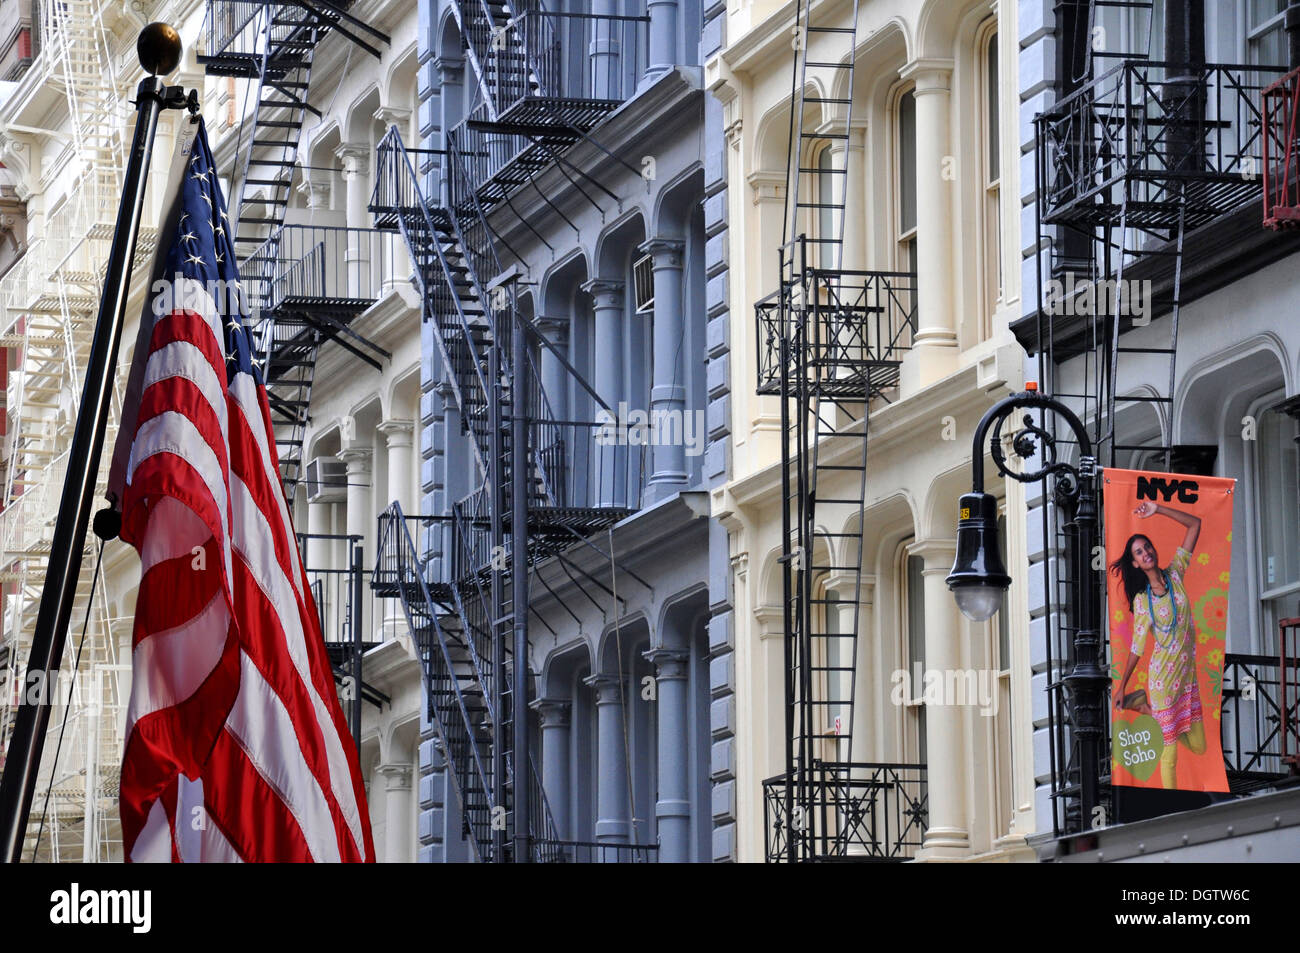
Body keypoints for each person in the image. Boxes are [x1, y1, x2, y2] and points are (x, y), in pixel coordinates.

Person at [1111, 501, 1205, 789]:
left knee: (1199, 746)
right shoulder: (1142, 600)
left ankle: (1144, 709)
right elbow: (1138, 648)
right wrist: (1121, 684)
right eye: (1139, 552)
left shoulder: (1175, 573)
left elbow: (1195, 525)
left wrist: (1158, 509)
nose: (1146, 552)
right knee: (1170, 753)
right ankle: (1172, 808)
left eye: (1147, 547)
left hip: (1186, 677)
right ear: (1136, 563)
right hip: (1163, 678)